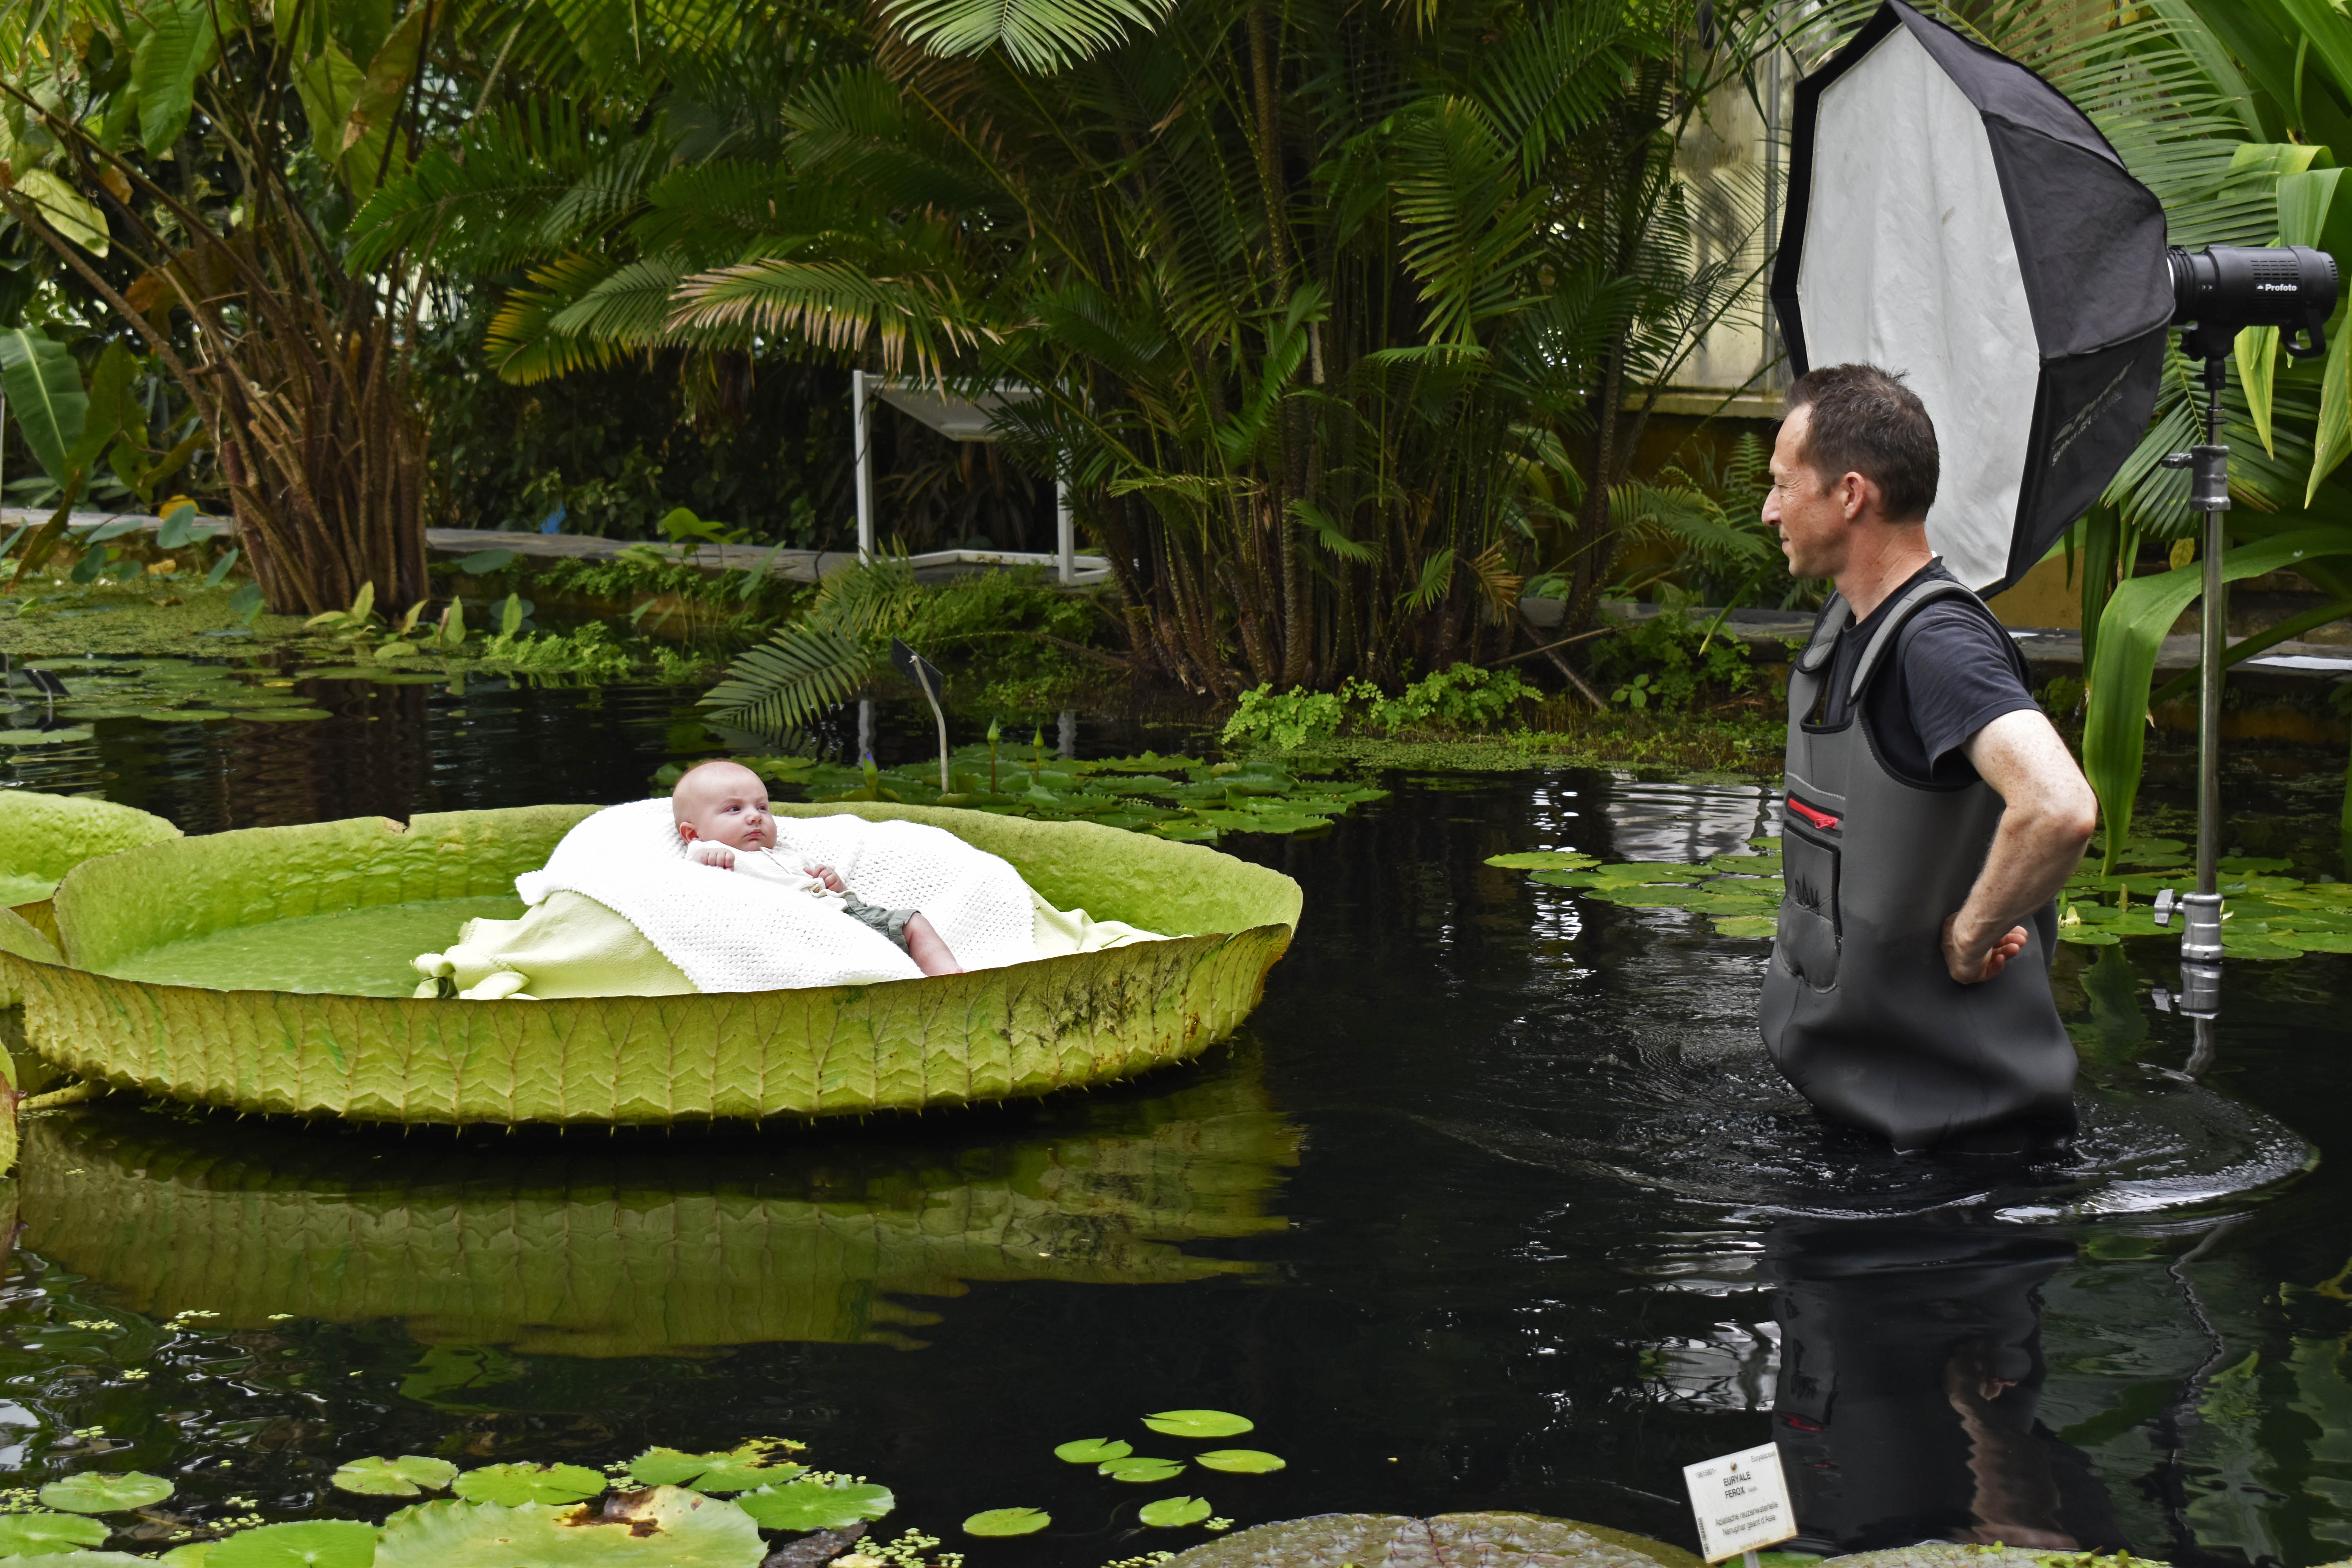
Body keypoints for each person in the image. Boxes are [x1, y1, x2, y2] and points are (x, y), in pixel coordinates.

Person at [1758, 364, 2097, 1150]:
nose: (1770, 507)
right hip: (1873, 1123)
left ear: (1850, 494)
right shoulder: (1853, 622)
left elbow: (2061, 806)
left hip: (1963, 1167)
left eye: (1784, 483)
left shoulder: (1938, 644)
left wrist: (1973, 933)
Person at [671, 759, 964, 976]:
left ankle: (952, 978)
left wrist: (834, 883)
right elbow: (695, 885)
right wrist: (709, 862)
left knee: (912, 922)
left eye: (762, 808)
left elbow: (833, 890)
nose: (755, 817)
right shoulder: (709, 852)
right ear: (693, 834)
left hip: (847, 914)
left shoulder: (784, 852)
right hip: (810, 932)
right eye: (735, 809)